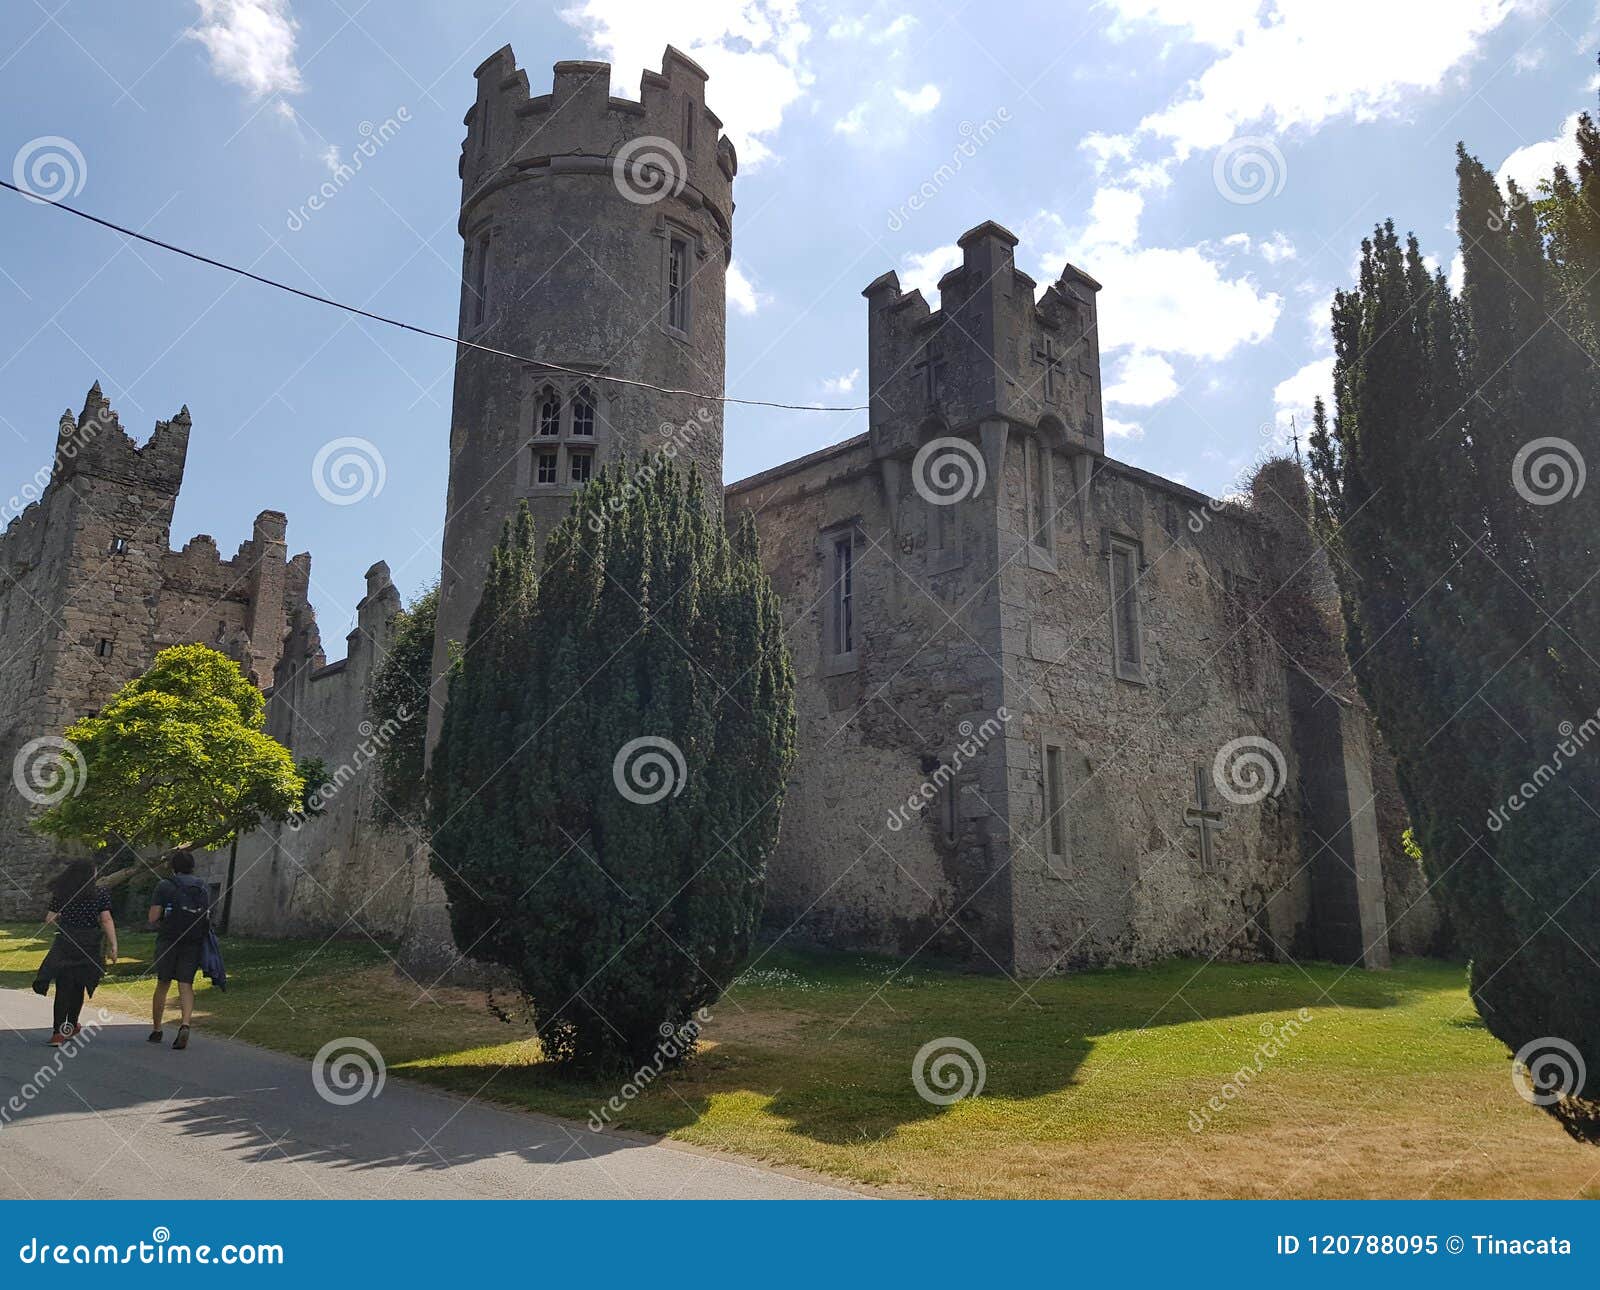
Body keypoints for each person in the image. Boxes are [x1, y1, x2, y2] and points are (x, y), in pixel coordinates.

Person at [35, 860, 117, 1045]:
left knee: (63, 986)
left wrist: (65, 922)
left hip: (67, 942)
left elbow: (50, 918)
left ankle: (57, 1033)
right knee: (79, 984)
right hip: (89, 943)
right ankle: (71, 1025)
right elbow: (106, 919)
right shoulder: (100, 893)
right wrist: (113, 945)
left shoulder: (62, 893)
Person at [148, 848, 211, 1050]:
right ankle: (185, 1024)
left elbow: (153, 917)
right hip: (193, 940)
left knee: (163, 983)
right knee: (186, 984)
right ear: (192, 866)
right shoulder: (202, 886)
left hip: (168, 939)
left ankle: (157, 1029)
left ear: (173, 867)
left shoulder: (165, 885)